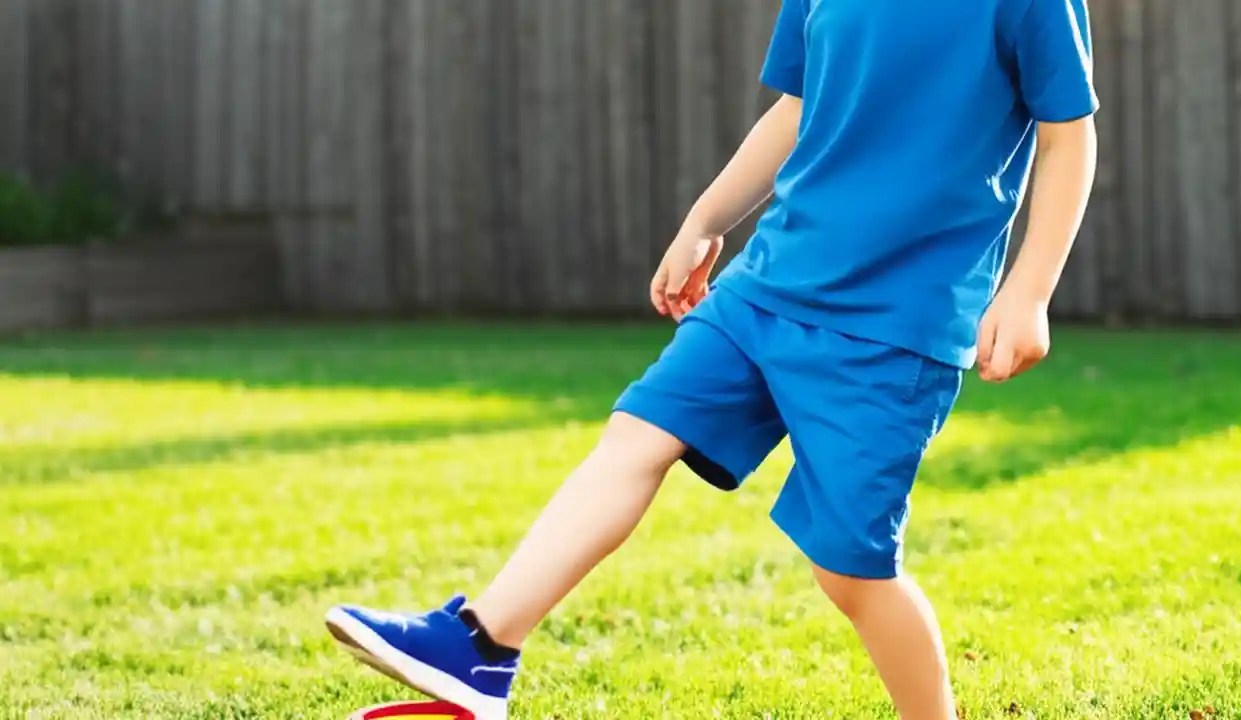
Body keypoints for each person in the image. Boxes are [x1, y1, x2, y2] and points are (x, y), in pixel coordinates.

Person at [323, 0, 1098, 717]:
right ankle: (482, 647)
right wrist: (705, 218)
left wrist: (1029, 291)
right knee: (638, 432)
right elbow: (795, 110)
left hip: (892, 328)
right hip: (769, 284)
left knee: (851, 571)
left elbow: (1068, 134)